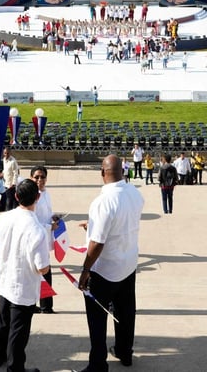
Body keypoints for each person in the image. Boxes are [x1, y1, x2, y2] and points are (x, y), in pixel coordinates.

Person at [78, 155, 144, 370]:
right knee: (125, 313)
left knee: (97, 319)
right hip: (127, 264)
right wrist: (94, 227)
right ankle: (125, 352)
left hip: (105, 270)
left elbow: (97, 244)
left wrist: (85, 270)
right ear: (123, 172)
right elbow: (123, 223)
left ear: (102, 172)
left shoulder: (102, 202)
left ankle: (98, 364)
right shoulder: (135, 193)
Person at [0, 178, 50, 372]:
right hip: (23, 286)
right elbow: (42, 268)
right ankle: (15, 367)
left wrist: (7, 256)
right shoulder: (37, 229)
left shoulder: (3, 218)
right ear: (37, 197)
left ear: (15, 196)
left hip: (4, 279)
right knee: (18, 330)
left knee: (2, 321)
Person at [31, 166, 59, 314]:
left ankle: (43, 304)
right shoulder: (32, 197)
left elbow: (47, 213)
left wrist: (53, 218)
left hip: (45, 239)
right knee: (42, 272)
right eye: (37, 177)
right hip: (36, 240)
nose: (40, 180)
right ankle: (45, 305)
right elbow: (32, 222)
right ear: (31, 178)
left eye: (42, 177)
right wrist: (49, 227)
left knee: (42, 272)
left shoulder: (46, 194)